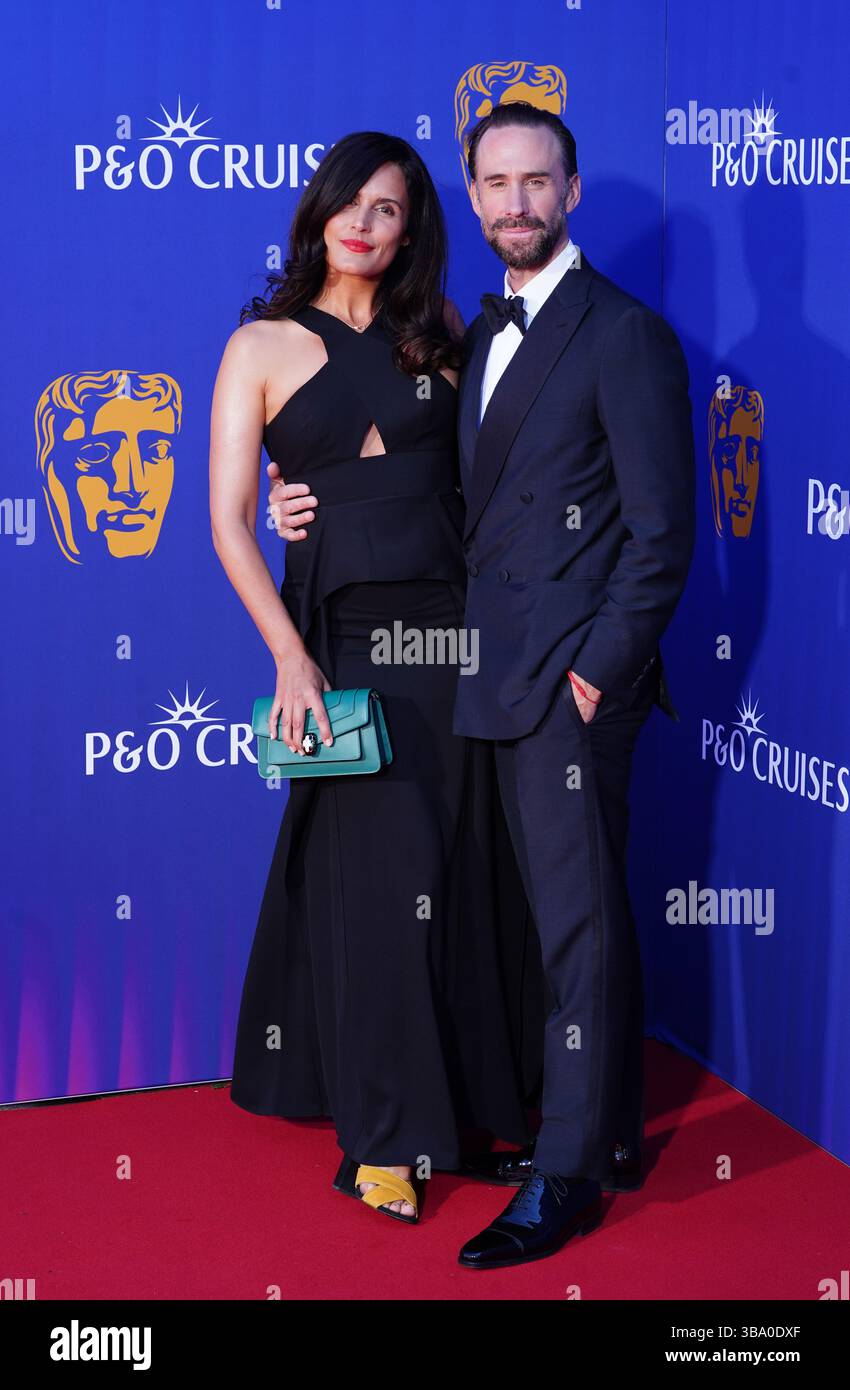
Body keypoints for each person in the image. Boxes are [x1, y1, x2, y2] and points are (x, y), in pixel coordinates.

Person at [273, 103, 696, 1268]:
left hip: (567, 687)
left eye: (536, 181)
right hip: (474, 679)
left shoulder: (623, 334)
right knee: (558, 925)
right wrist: (294, 504)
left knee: (575, 929)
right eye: (494, 184)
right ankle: (598, 1133)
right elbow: (421, 485)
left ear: (570, 189)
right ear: (474, 199)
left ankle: (565, 1178)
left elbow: (662, 538)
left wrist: (599, 678)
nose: (515, 202)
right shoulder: (465, 336)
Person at [209, 130, 543, 1226]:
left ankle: (482, 1106)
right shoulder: (258, 346)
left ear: (411, 229)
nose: (363, 223)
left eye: (388, 209)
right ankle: (385, 1139)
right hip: (341, 644)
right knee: (376, 887)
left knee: (461, 869)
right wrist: (288, 654)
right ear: (318, 213)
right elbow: (225, 520)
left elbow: (483, 475)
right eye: (349, 203)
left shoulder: (438, 331)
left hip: (451, 636)